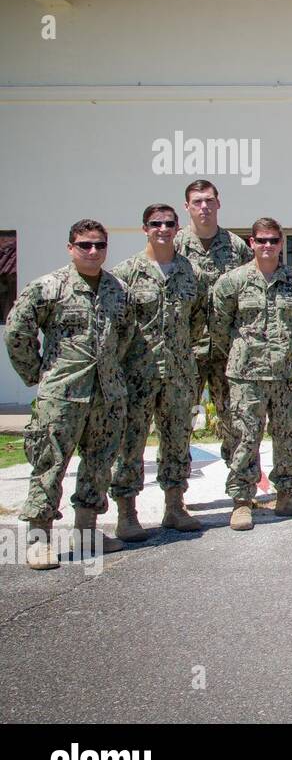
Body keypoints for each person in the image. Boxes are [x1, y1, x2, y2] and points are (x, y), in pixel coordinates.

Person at [6, 219, 135, 569]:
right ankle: (38, 538)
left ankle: (87, 532)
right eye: (84, 245)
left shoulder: (118, 290)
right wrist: (40, 375)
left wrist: (108, 369)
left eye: (98, 245)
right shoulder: (48, 287)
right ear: (70, 248)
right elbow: (17, 333)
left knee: (98, 465)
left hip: (106, 394)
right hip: (62, 395)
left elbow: (124, 334)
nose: (92, 251)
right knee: (49, 464)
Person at [210, 217, 292, 531]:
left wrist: (285, 349)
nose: (268, 246)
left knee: (288, 438)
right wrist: (243, 351)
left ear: (281, 243)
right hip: (246, 376)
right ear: (252, 243)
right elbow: (220, 328)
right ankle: (242, 502)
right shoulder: (232, 283)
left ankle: (287, 495)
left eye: (273, 240)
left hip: (286, 375)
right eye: (262, 240)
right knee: (245, 439)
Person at [108, 203, 207, 541]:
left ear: (178, 227)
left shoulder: (189, 272)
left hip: (180, 373)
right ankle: (127, 512)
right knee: (131, 443)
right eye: (155, 223)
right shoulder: (126, 273)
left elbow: (197, 321)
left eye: (168, 223)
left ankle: (175, 506)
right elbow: (115, 327)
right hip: (138, 373)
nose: (163, 229)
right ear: (145, 228)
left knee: (177, 441)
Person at [174, 179, 253, 466]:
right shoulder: (174, 245)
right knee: (178, 424)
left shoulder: (236, 247)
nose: (204, 207)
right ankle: (175, 499)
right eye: (197, 202)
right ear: (187, 207)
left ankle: (240, 495)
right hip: (186, 351)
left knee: (236, 422)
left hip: (228, 351)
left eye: (209, 200)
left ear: (218, 203)